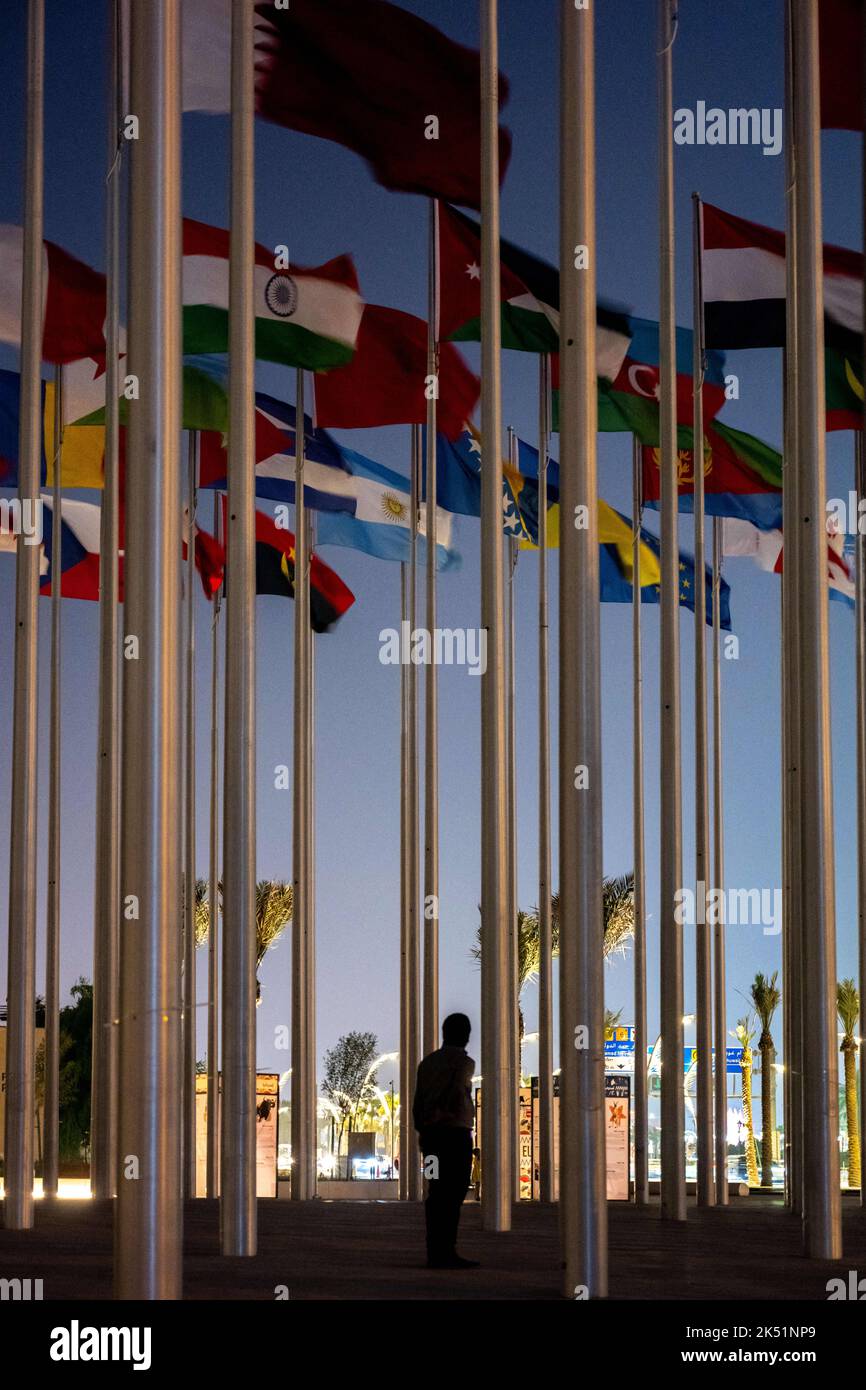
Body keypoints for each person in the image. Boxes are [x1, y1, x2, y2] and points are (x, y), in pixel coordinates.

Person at [412, 1012, 479, 1270]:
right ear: (466, 1036)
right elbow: (455, 1093)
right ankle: (447, 1249)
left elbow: (418, 1103)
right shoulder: (465, 1064)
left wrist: (423, 1131)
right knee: (456, 1190)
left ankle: (434, 1250)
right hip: (455, 1136)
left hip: (430, 1139)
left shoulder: (426, 1064)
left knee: (436, 1190)